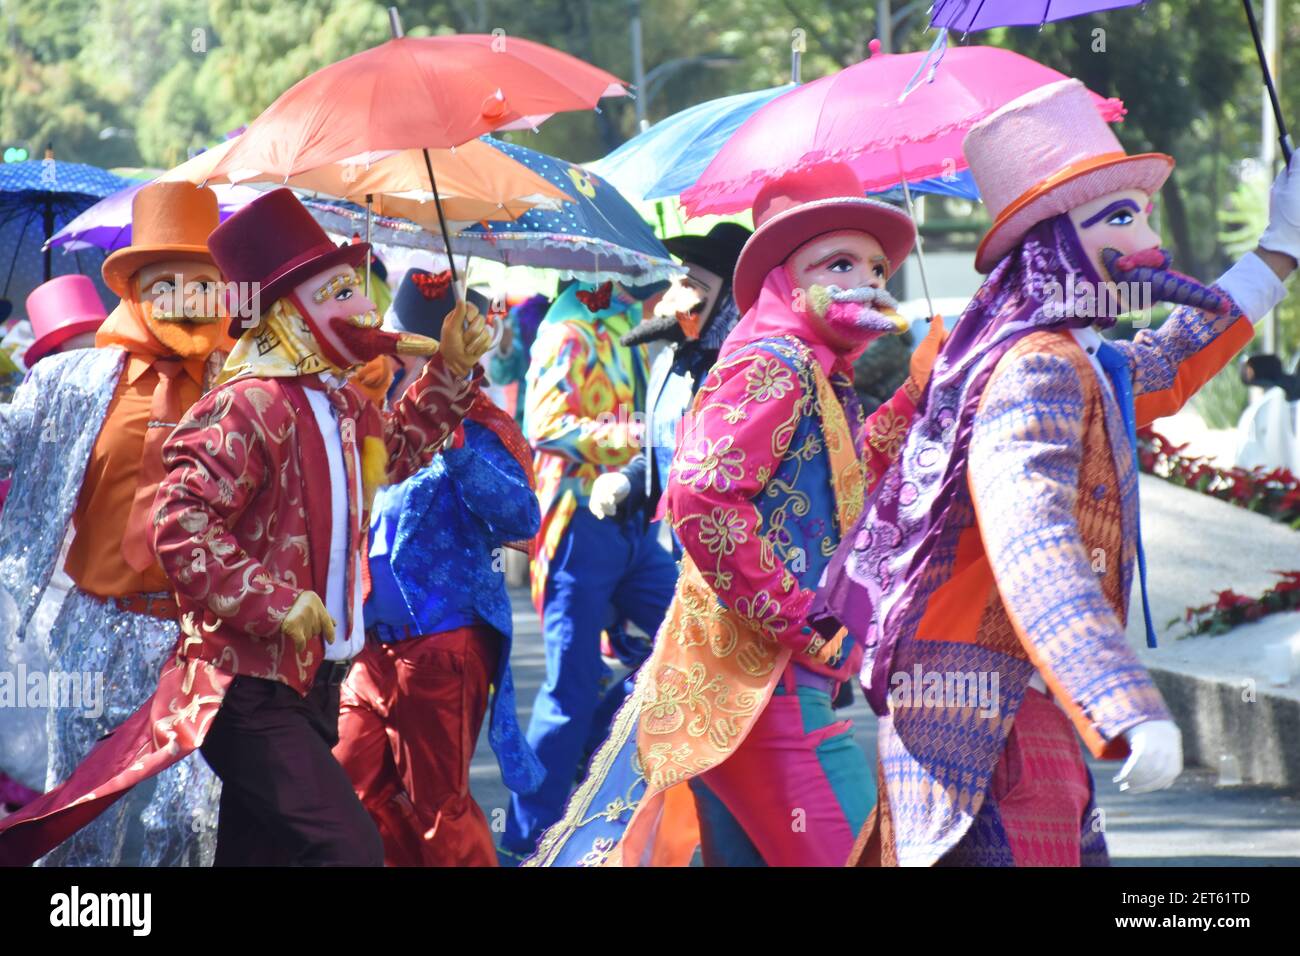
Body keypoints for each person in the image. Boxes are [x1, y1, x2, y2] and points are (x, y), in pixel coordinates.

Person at [814, 79, 1300, 867]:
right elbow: (1031, 537)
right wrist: (1118, 697)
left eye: (1140, 211)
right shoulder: (1037, 365)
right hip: (986, 724)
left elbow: (1167, 360)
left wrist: (1282, 246)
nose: (1147, 240)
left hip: (1001, 709)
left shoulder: (1070, 358)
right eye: (1117, 217)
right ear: (1051, 246)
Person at [0, 188, 493, 867]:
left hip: (308, 676)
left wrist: (452, 370)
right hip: (235, 676)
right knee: (341, 847)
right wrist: (276, 601)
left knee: (243, 850)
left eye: (357, 289)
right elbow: (180, 523)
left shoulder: (342, 402)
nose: (365, 309)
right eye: (340, 293)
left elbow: (399, 449)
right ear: (286, 316)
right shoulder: (247, 404)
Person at [527, 163, 944, 867]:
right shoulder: (774, 364)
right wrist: (803, 619)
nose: (867, 282)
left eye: (874, 266)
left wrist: (912, 394)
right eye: (838, 264)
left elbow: (842, 478)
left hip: (757, 687)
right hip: (765, 691)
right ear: (784, 279)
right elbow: (700, 498)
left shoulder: (812, 368)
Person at [0, 182, 228, 867]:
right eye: (168, 281)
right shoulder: (71, 381)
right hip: (90, 633)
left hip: (194, 645)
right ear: (136, 291)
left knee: (185, 831)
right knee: (76, 828)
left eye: (202, 282)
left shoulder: (243, 392)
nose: (185, 298)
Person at [333, 269, 544, 866]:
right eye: (402, 351)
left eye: (415, 353)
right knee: (345, 788)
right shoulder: (368, 415)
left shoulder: (479, 426)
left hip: (443, 645)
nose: (402, 363)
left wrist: (454, 452)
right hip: (369, 646)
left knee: (437, 811)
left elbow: (521, 515)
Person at [501, 278, 678, 863]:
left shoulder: (632, 333)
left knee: (686, 643)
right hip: (576, 524)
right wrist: (632, 438)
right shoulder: (566, 332)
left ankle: (597, 765)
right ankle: (529, 839)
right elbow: (545, 427)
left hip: (632, 526)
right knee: (567, 690)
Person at [588, 222, 752, 559]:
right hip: (683, 554)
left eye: (690, 286)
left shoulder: (747, 374)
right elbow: (662, 451)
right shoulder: (670, 363)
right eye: (677, 282)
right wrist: (628, 480)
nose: (670, 300)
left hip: (738, 558)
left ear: (729, 301)